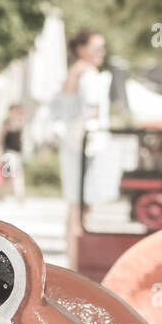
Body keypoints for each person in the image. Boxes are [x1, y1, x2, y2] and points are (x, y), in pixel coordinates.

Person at [55, 30, 110, 270]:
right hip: (84, 143)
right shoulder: (87, 74)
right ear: (82, 49)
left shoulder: (76, 72)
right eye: (97, 48)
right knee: (80, 204)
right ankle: (76, 264)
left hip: (75, 142)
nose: (102, 53)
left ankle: (74, 261)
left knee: (77, 204)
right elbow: (91, 110)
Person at [0, 104, 26, 205]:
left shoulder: (20, 123)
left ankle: (2, 195)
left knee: (12, 176)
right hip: (8, 153)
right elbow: (0, 139)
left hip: (17, 153)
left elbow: (21, 139)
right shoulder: (6, 124)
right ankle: (19, 197)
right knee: (14, 175)